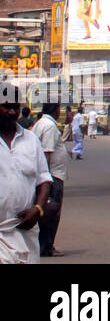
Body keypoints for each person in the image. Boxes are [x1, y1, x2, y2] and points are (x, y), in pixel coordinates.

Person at [0, 93, 53, 264]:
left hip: (25, 229)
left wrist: (38, 208)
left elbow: (44, 179)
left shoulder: (31, 140)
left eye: (15, 107)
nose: (11, 112)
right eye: (6, 106)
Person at [32, 104, 68, 257]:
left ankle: (44, 245)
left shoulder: (40, 123)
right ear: (56, 110)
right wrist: (46, 180)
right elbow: (47, 152)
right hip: (52, 175)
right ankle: (46, 246)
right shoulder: (49, 126)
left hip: (50, 174)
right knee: (51, 212)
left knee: (47, 212)